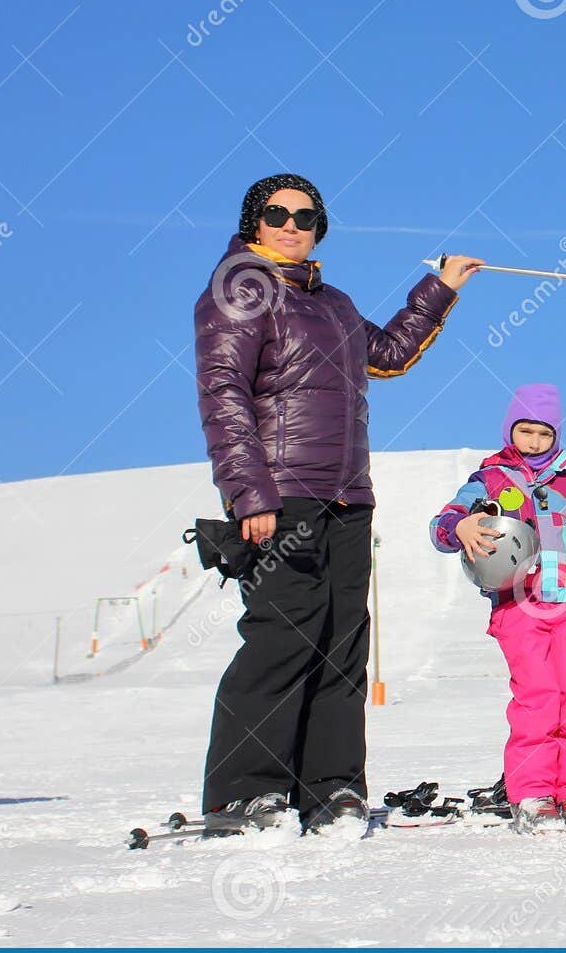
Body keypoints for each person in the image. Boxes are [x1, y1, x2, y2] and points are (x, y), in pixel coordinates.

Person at [194, 172, 481, 836]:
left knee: (341, 642)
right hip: (280, 493)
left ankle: (331, 788)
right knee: (281, 635)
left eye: (306, 217)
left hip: (348, 495)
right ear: (254, 221)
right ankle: (245, 791)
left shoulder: (334, 304)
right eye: (277, 214)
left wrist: (441, 286)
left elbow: (389, 355)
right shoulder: (240, 289)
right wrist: (249, 493)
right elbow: (223, 392)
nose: (291, 226)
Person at [431, 383, 566, 834]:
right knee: (538, 696)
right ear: (509, 431)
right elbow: (443, 525)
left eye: (544, 433)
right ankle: (533, 791)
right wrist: (461, 527)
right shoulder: (490, 479)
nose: (535, 442)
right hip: (517, 603)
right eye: (526, 431)